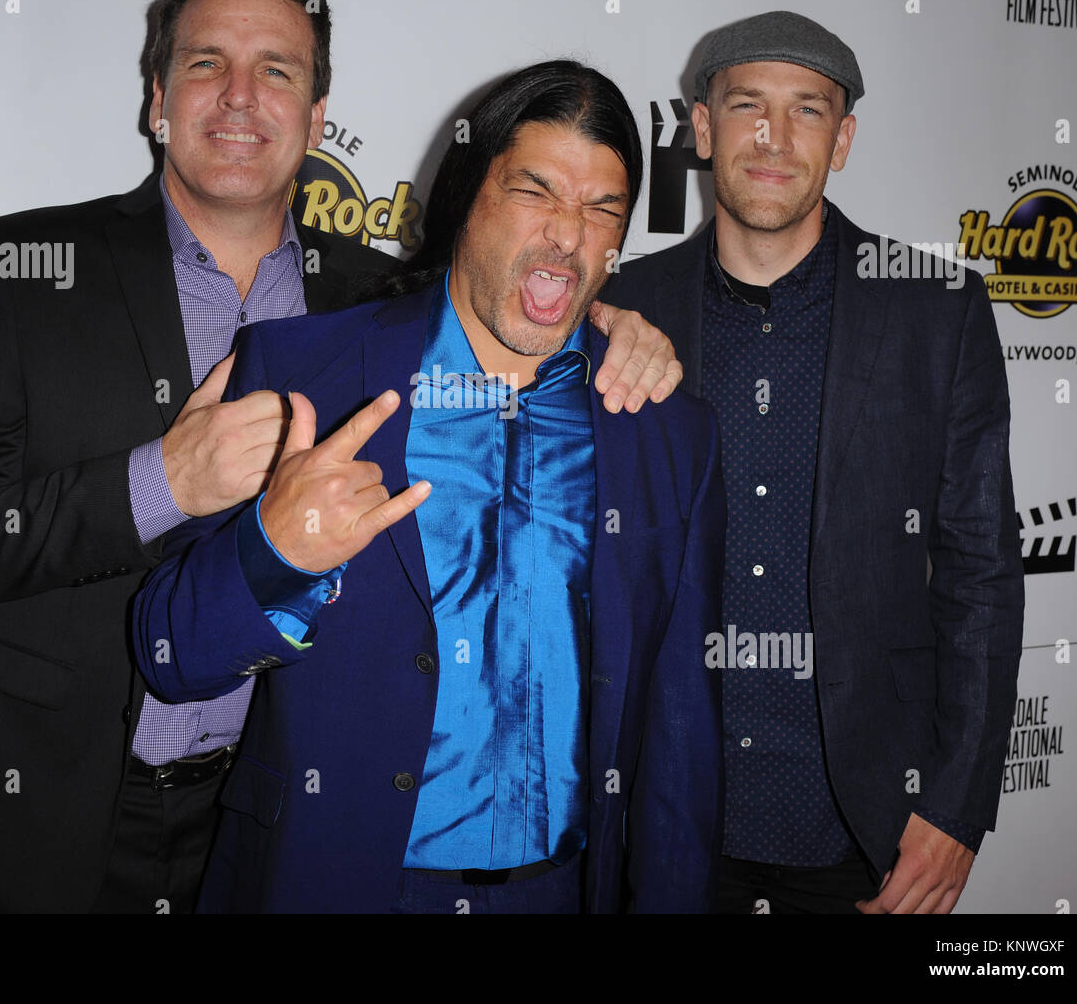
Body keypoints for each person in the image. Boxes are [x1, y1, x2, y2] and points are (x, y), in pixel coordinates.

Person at [0, 0, 683, 914]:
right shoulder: (31, 268)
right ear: (156, 98)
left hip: (264, 824)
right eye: (205, 64)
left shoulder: (371, 301)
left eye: (276, 71)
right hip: (42, 811)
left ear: (315, 117)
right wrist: (158, 481)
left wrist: (612, 318)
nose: (237, 96)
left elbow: (520, 282)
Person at [133, 60, 726, 914]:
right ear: (466, 196)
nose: (568, 235)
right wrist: (273, 554)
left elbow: (682, 735)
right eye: (536, 191)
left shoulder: (666, 429)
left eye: (603, 210)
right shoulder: (305, 372)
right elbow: (169, 656)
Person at [602, 10, 1025, 914]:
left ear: (844, 140)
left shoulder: (937, 311)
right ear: (702, 127)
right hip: (664, 823)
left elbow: (982, 574)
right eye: (747, 105)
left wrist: (956, 805)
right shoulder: (620, 309)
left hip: (868, 835)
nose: (773, 138)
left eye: (808, 110)